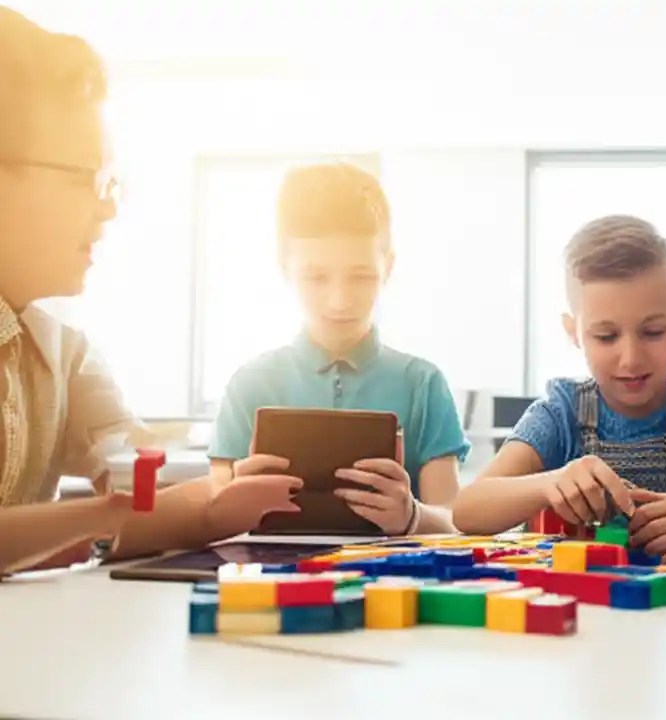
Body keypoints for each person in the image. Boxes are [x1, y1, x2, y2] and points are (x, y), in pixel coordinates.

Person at [0, 7, 302, 574]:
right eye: (87, 178)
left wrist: (219, 504)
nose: (108, 208)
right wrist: (96, 516)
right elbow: (112, 513)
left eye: (111, 182)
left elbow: (137, 500)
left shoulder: (62, 353)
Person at [452, 215, 666, 560]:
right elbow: (467, 510)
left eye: (653, 332)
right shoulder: (560, 412)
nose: (631, 359)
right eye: (606, 336)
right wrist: (548, 483)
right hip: (583, 598)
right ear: (574, 331)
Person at [209, 162, 468, 535]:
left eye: (361, 276)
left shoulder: (422, 383)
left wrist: (412, 516)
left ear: (388, 267)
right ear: (284, 268)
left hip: (393, 568)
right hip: (269, 566)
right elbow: (211, 519)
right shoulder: (249, 384)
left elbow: (455, 522)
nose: (339, 301)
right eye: (316, 277)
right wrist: (234, 501)